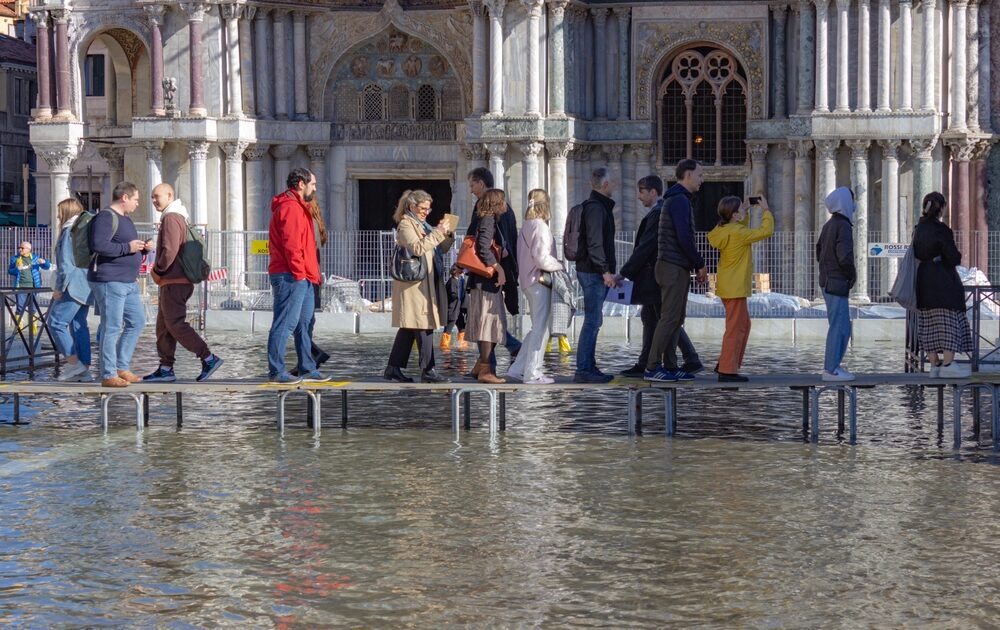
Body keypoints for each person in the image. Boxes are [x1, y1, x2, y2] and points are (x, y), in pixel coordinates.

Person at [619, 175, 704, 377]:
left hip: (656, 274)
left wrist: (624, 273)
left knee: (665, 318)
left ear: (653, 191)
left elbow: (646, 247)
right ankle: (660, 363)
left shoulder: (660, 212)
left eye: (641, 191)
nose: (638, 196)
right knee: (655, 317)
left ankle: (661, 363)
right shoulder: (664, 208)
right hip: (658, 272)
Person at [142, 183, 224, 383]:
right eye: (152, 197)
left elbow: (169, 250)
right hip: (174, 280)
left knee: (175, 324)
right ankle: (166, 368)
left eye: (157, 196)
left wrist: (158, 269)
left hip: (174, 281)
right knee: (164, 326)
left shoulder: (171, 217)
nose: (154, 201)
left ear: (170, 195)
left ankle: (208, 358)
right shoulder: (178, 216)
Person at [645, 159, 708, 382]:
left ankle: (670, 366)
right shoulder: (679, 200)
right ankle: (652, 367)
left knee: (676, 318)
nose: (702, 180)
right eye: (700, 175)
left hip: (675, 265)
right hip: (672, 266)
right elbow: (684, 237)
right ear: (688, 175)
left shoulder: (677, 199)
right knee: (669, 318)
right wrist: (699, 263)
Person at [383, 189, 454, 383]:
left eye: (428, 209)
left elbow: (440, 248)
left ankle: (393, 368)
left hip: (424, 282)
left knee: (410, 327)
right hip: (413, 285)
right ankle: (428, 370)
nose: (426, 212)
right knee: (423, 324)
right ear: (412, 206)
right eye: (423, 208)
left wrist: (446, 233)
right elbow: (418, 247)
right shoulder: (406, 224)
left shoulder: (423, 225)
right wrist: (437, 233)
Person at [88, 181, 152, 388]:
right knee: (112, 326)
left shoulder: (126, 219)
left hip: (128, 281)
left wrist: (141, 248)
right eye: (135, 199)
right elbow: (98, 245)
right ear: (124, 197)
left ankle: (121, 367)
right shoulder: (105, 217)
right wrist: (128, 248)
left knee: (137, 322)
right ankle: (108, 373)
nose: (137, 204)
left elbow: (124, 246)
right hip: (110, 280)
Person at [706, 195, 775, 382]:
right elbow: (766, 231)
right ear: (735, 215)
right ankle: (727, 370)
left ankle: (726, 363)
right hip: (735, 288)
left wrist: (744, 211)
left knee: (743, 325)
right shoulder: (738, 233)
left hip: (729, 285)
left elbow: (736, 228)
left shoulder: (723, 229)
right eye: (741, 210)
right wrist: (766, 211)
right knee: (735, 329)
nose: (744, 211)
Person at [267, 168, 322, 383]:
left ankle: (307, 367)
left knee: (305, 323)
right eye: (313, 184)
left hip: (302, 275)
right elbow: (292, 246)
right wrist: (300, 274)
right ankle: (276, 370)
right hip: (291, 275)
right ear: (301, 184)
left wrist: (310, 275)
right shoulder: (290, 207)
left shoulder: (299, 207)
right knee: (286, 323)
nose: (315, 188)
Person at [912, 191, 973, 378]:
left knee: (928, 325)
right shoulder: (941, 230)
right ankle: (948, 364)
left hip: (923, 280)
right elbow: (952, 257)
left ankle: (935, 365)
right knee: (949, 323)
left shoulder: (918, 229)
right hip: (943, 282)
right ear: (941, 208)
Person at [507, 189, 563, 384]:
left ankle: (517, 369)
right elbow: (541, 258)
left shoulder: (527, 225)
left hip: (527, 281)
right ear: (545, 205)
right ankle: (533, 373)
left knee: (536, 327)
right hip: (539, 281)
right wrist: (559, 265)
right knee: (541, 328)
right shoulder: (540, 226)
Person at [467, 167, 522, 360]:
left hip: (488, 271)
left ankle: (488, 365)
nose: (471, 190)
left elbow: (480, 243)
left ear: (481, 183)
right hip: (498, 270)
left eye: (472, 185)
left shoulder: (485, 211)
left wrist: (498, 266)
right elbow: (511, 240)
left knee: (486, 319)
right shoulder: (507, 210)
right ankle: (487, 363)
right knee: (487, 318)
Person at [573, 166, 619, 384]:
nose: (616, 186)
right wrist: (605, 271)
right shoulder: (596, 208)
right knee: (592, 320)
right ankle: (584, 368)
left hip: (592, 270)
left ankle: (589, 366)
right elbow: (595, 243)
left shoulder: (597, 207)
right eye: (614, 182)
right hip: (593, 272)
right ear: (606, 184)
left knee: (594, 320)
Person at [465, 188, 509, 384]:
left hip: (481, 281)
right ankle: (485, 370)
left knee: (489, 324)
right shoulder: (488, 220)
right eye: (503, 200)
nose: (506, 204)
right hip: (486, 281)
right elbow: (483, 247)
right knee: (489, 324)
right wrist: (498, 267)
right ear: (497, 202)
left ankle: (480, 366)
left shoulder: (484, 219)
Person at [49, 198, 94, 382]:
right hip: (86, 284)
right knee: (78, 324)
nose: (58, 216)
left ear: (66, 212)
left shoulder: (68, 231)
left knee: (56, 322)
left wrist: (59, 288)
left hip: (72, 284)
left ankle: (74, 364)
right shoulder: (83, 230)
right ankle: (84, 370)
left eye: (60, 212)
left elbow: (66, 264)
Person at [816, 186, 857, 382]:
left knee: (840, 325)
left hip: (827, 280)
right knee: (839, 327)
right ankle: (831, 369)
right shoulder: (843, 226)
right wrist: (852, 275)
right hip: (836, 281)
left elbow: (818, 251)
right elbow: (845, 256)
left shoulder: (829, 225)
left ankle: (833, 366)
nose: (854, 204)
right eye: (852, 200)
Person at [293, 198, 332, 375]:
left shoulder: (309, 222)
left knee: (300, 322)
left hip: (305, 277)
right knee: (304, 322)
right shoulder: (316, 222)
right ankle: (308, 357)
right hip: (312, 277)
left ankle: (310, 357)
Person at [8, 240, 51, 324]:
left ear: (28, 249)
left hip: (34, 287)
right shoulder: (15, 258)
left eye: (22, 248)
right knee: (20, 308)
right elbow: (10, 271)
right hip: (20, 287)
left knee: (33, 308)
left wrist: (44, 262)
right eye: (19, 247)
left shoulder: (35, 258)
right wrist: (17, 269)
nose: (20, 249)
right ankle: (18, 327)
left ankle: (33, 327)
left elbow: (47, 267)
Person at [441, 265, 468, 350]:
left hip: (457, 310)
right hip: (452, 310)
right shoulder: (452, 281)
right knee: (448, 330)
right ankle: (444, 348)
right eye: (460, 269)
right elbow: (453, 295)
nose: (462, 270)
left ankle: (462, 346)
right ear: (455, 271)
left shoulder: (459, 281)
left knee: (462, 328)